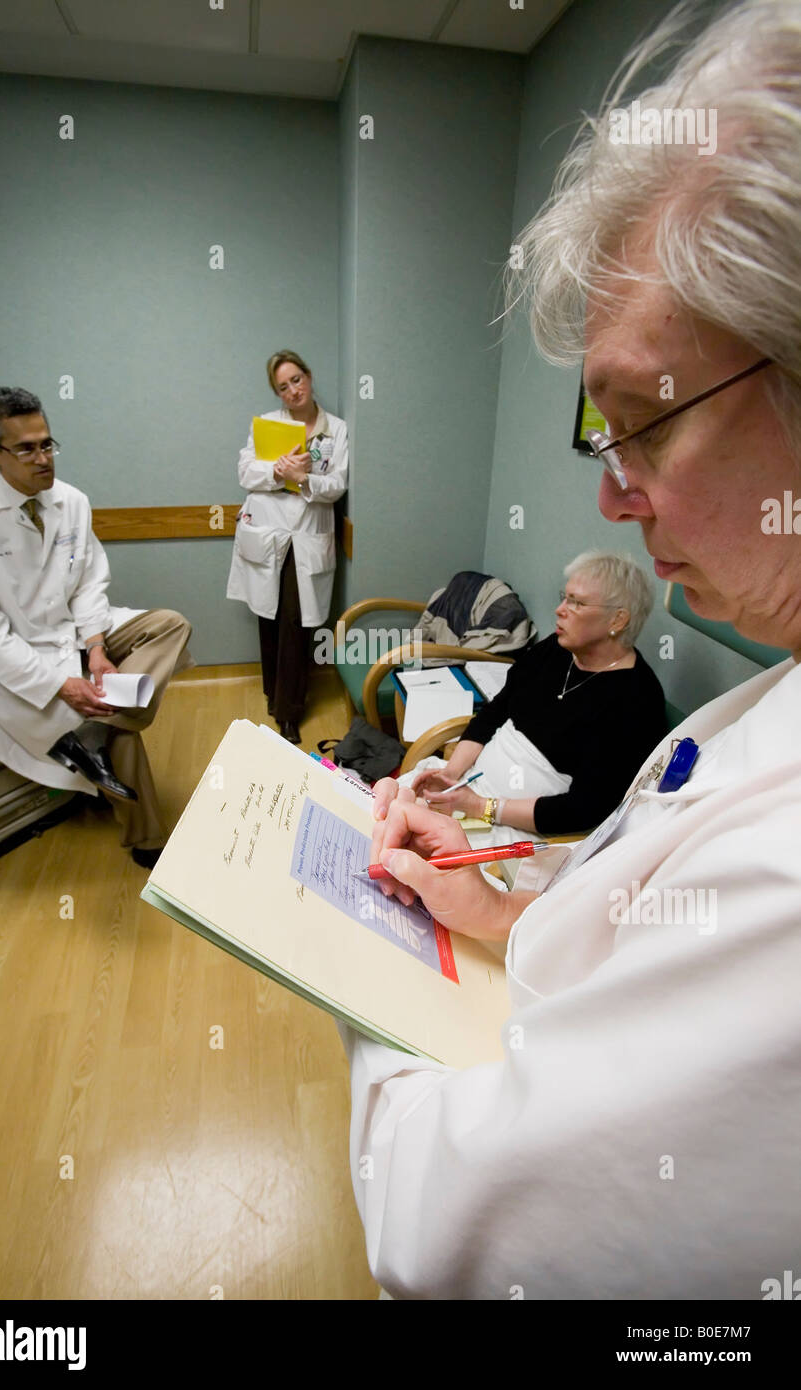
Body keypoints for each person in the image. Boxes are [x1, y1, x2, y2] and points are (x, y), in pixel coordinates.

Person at [339, 0, 801, 1298]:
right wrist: (500, 908)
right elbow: (643, 919)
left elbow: (442, 1234)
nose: (610, 496)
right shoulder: (765, 695)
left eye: (646, 426)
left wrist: (359, 950)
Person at [0, 387, 193, 867]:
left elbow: (89, 581)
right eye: (27, 448)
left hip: (71, 634)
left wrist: (95, 646)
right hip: (17, 657)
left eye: (48, 444)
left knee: (170, 626)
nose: (43, 459)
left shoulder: (71, 501)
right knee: (123, 734)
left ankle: (106, 715)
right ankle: (148, 841)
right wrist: (58, 683)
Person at [403, 551, 667, 846]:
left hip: (525, 831)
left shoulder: (635, 700)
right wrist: (451, 774)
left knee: (412, 854)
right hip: (469, 785)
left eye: (576, 602)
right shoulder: (556, 649)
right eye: (563, 597)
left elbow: (585, 810)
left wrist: (482, 807)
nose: (559, 610)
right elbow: (495, 712)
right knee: (389, 812)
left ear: (618, 618)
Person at [226, 351, 348, 744]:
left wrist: (305, 479)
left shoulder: (337, 430)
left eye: (297, 379)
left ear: (309, 377)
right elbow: (246, 472)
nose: (293, 390)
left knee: (296, 625)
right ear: (276, 392)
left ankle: (289, 712)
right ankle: (273, 693)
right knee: (269, 616)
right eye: (283, 386)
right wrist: (279, 473)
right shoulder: (267, 426)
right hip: (268, 533)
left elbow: (337, 485)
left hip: (307, 536)